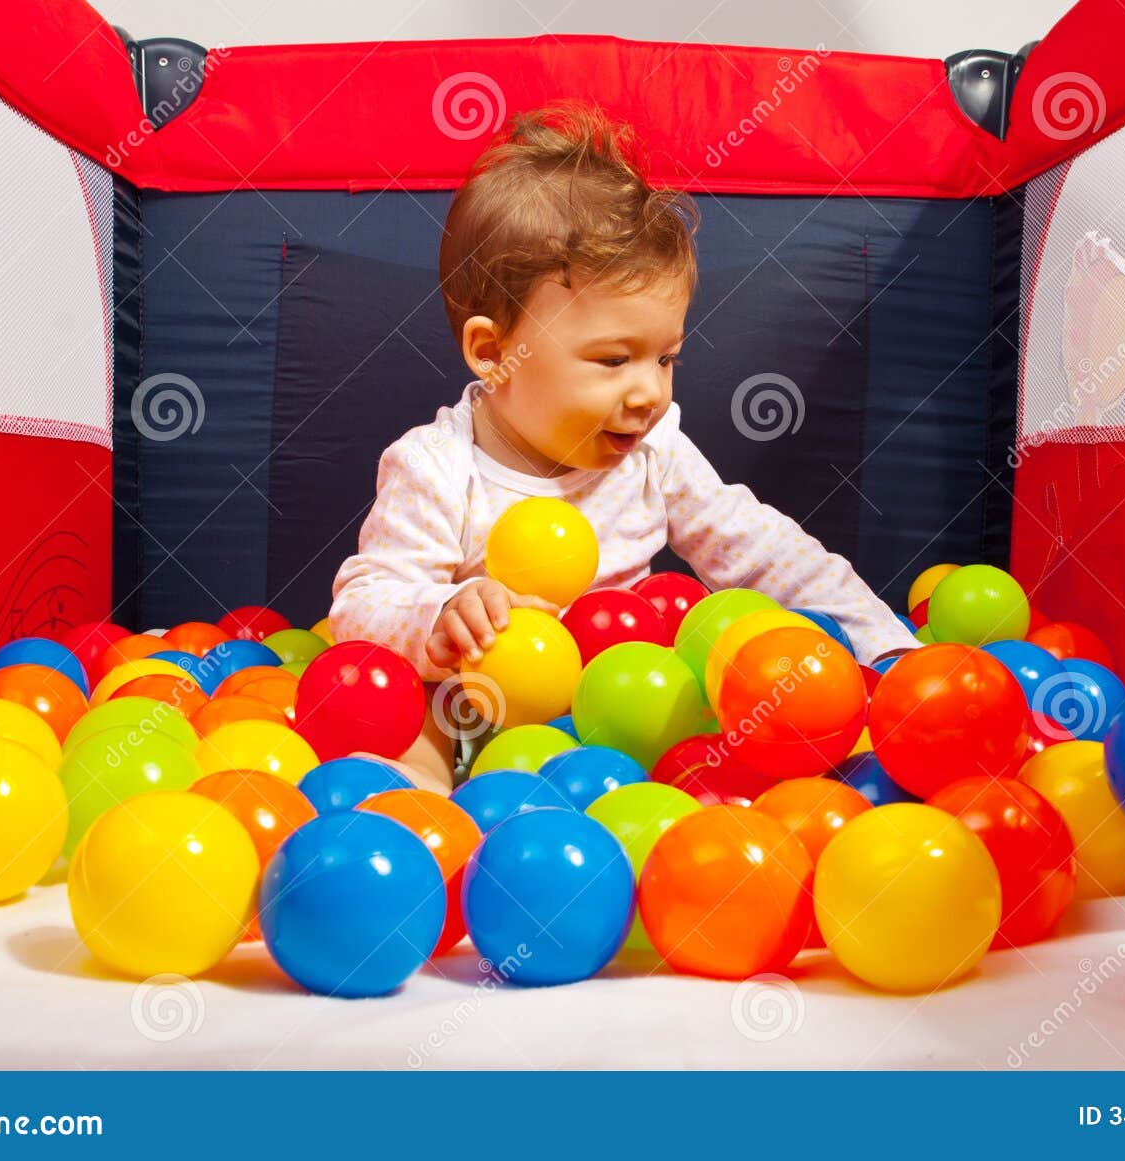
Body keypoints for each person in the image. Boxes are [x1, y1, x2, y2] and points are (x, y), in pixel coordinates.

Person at [330, 105, 917, 792]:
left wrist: (886, 649)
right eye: (613, 361)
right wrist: (440, 615)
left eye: (665, 358)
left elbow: (763, 550)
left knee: (729, 705)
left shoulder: (652, 451)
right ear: (493, 352)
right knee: (421, 718)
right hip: (483, 721)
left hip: (630, 719)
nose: (649, 393)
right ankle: (423, 803)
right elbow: (364, 602)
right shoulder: (437, 466)